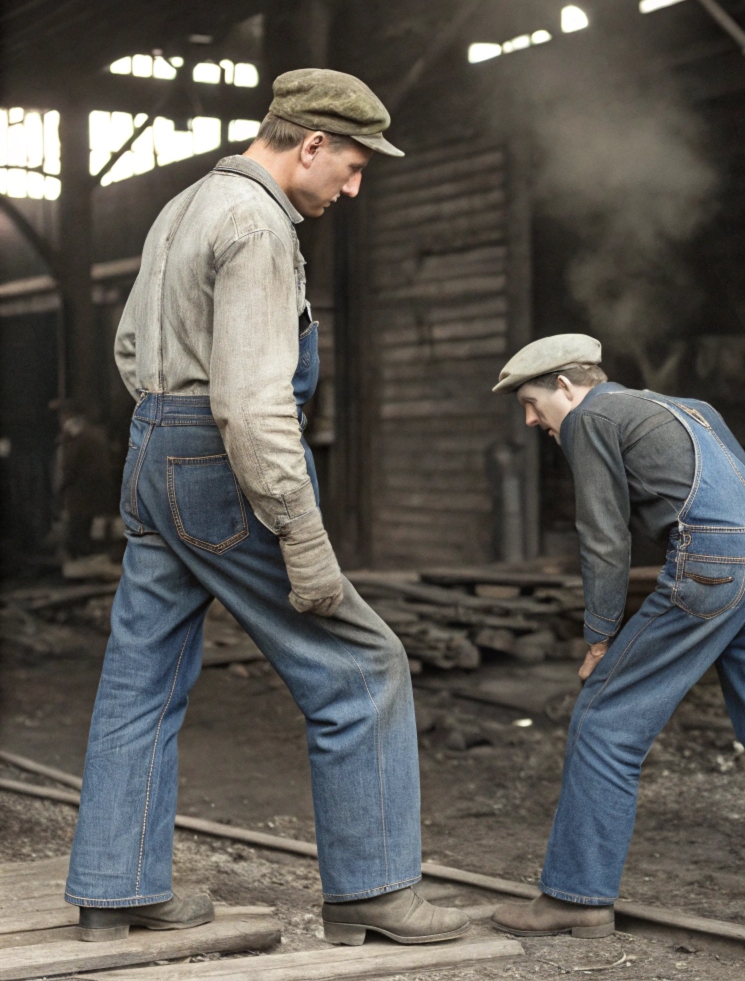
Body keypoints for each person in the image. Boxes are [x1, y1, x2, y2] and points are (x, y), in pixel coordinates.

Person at [65, 69, 470, 947]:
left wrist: (166, 431)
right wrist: (301, 533)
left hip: (153, 447)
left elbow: (130, 345)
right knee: (363, 666)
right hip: (221, 460)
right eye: (353, 166)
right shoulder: (255, 223)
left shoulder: (183, 206)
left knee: (141, 678)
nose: (354, 188)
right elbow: (251, 404)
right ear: (311, 144)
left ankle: (113, 889)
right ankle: (372, 891)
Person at [487, 335, 745, 945]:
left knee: (605, 716)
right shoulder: (688, 407)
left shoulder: (591, 418)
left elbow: (604, 537)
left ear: (566, 385)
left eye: (532, 402)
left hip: (717, 565)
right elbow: (740, 489)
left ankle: (575, 898)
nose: (532, 420)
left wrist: (599, 635)